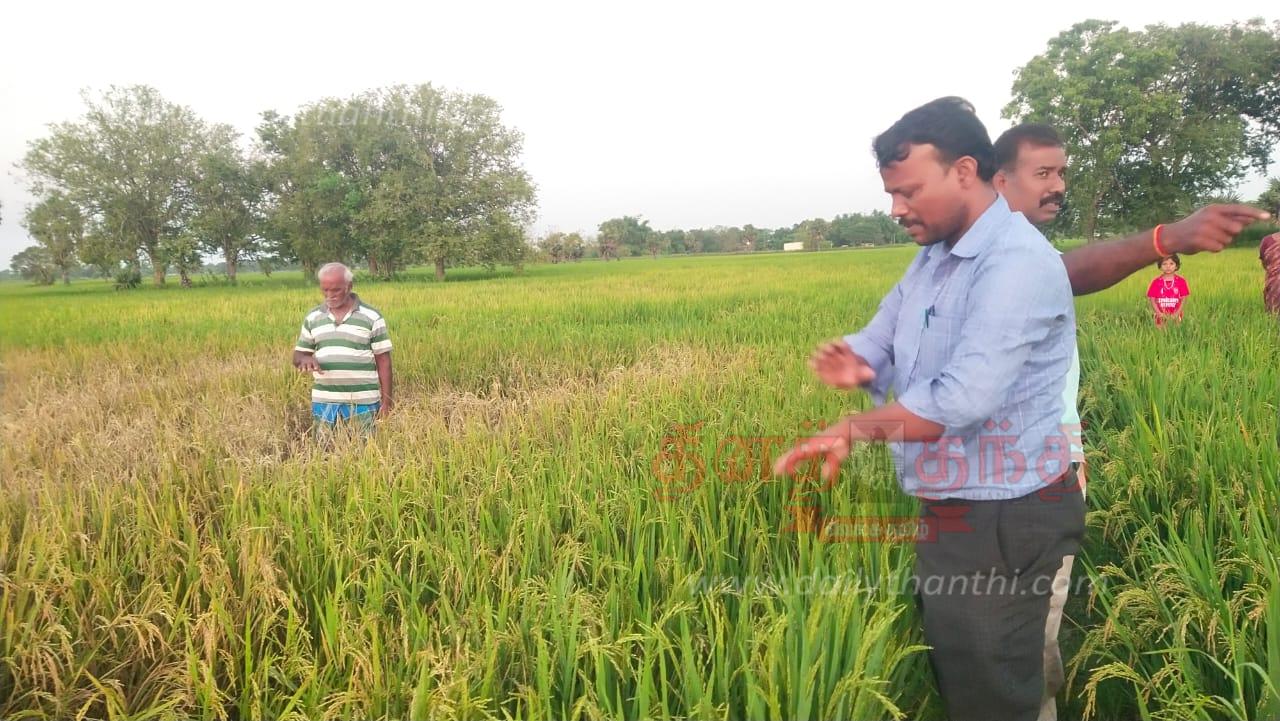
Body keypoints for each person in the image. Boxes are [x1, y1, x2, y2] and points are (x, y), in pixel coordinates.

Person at [774, 97, 1082, 721]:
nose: (896, 209)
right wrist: (861, 361)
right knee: (971, 666)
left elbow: (965, 396)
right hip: (959, 502)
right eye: (892, 193)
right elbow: (885, 329)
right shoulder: (938, 253)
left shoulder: (1017, 264)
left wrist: (856, 426)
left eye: (909, 191)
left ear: (965, 171)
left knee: (992, 685)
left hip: (1005, 514)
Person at [292, 262, 394, 435]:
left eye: (336, 290)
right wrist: (304, 359)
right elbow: (298, 355)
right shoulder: (313, 318)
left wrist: (387, 403)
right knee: (324, 451)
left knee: (366, 452)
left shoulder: (372, 317)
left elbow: (384, 361)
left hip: (363, 402)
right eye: (325, 290)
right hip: (325, 401)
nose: (330, 295)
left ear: (349, 287)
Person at [1146, 254, 1189, 326]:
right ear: (1160, 266)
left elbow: (1184, 298)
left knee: (1176, 333)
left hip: (1176, 316)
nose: (1168, 266)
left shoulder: (1181, 281)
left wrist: (1177, 313)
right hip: (1160, 316)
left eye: (1171, 263)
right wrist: (1159, 313)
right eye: (1164, 264)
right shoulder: (1156, 282)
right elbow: (1152, 299)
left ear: (1176, 265)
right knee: (1161, 334)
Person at [1261, 231, 1280, 315]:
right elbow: (1265, 263)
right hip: (1274, 286)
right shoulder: (1267, 241)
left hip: (1273, 282)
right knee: (1274, 319)